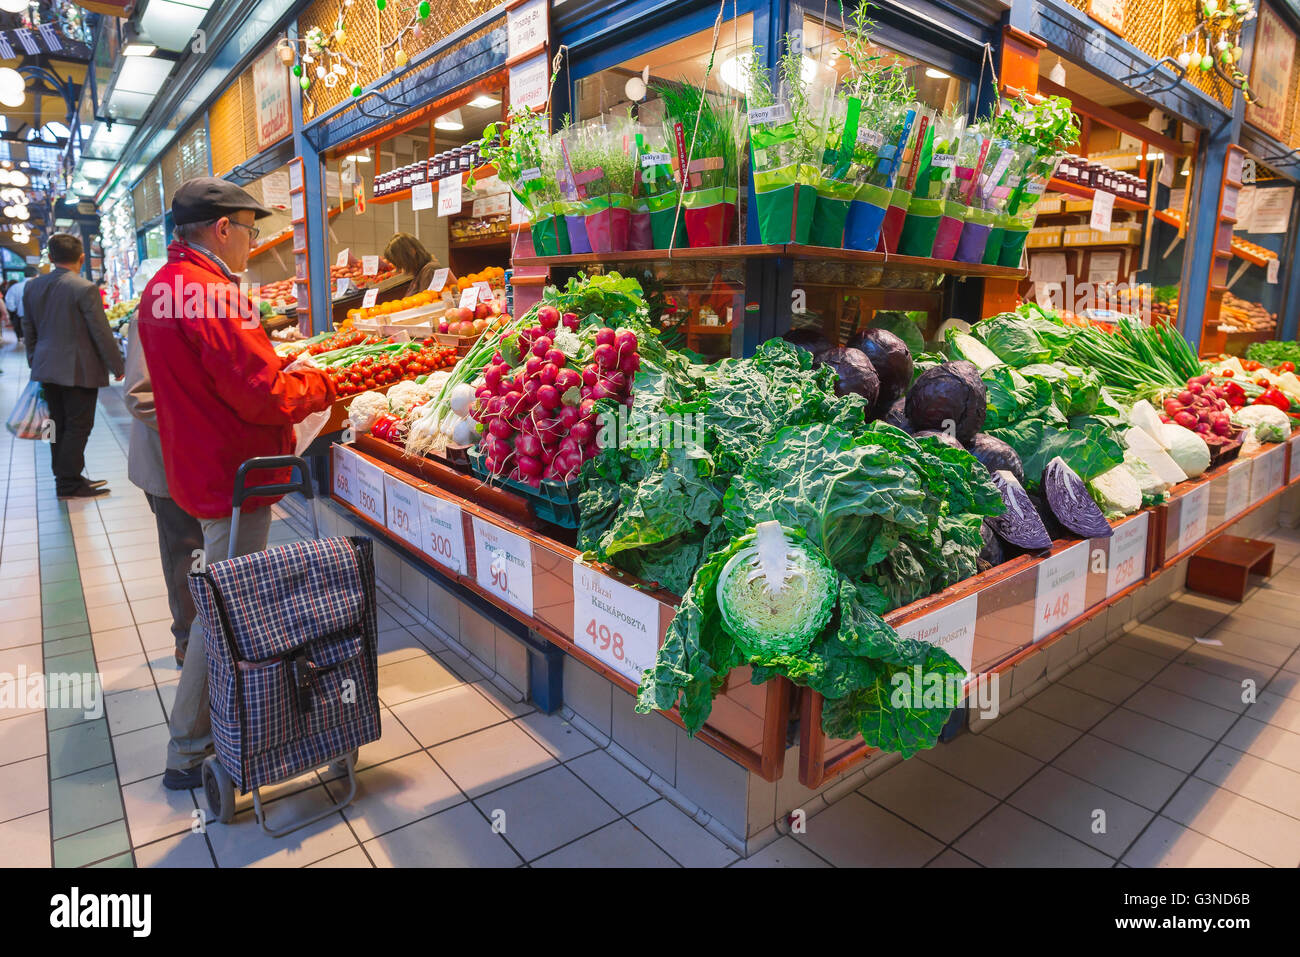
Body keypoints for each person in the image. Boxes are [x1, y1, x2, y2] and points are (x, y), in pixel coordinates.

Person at [136, 176, 335, 791]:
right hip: (233, 477)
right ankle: (188, 749)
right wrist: (323, 385)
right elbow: (263, 393)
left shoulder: (164, 288)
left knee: (216, 600)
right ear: (223, 227)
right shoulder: (211, 293)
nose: (253, 241)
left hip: (199, 467)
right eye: (251, 229)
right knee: (217, 611)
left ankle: (218, 720)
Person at [123, 311, 204, 669]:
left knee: (204, 551)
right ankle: (188, 641)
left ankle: (210, 637)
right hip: (169, 460)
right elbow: (140, 395)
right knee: (184, 552)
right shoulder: (152, 315)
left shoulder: (208, 308)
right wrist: (204, 425)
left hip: (204, 462)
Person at [22, 236, 124, 499]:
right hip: (78, 370)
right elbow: (101, 332)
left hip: (46, 368)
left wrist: (35, 360)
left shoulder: (32, 287)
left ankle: (66, 476)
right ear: (81, 258)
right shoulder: (84, 288)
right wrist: (117, 365)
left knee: (54, 424)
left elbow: (28, 328)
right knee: (78, 426)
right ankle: (69, 483)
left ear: (52, 258)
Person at [383, 232, 442, 298]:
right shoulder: (419, 272)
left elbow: (428, 302)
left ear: (412, 252)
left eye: (401, 263)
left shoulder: (429, 270)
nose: (402, 268)